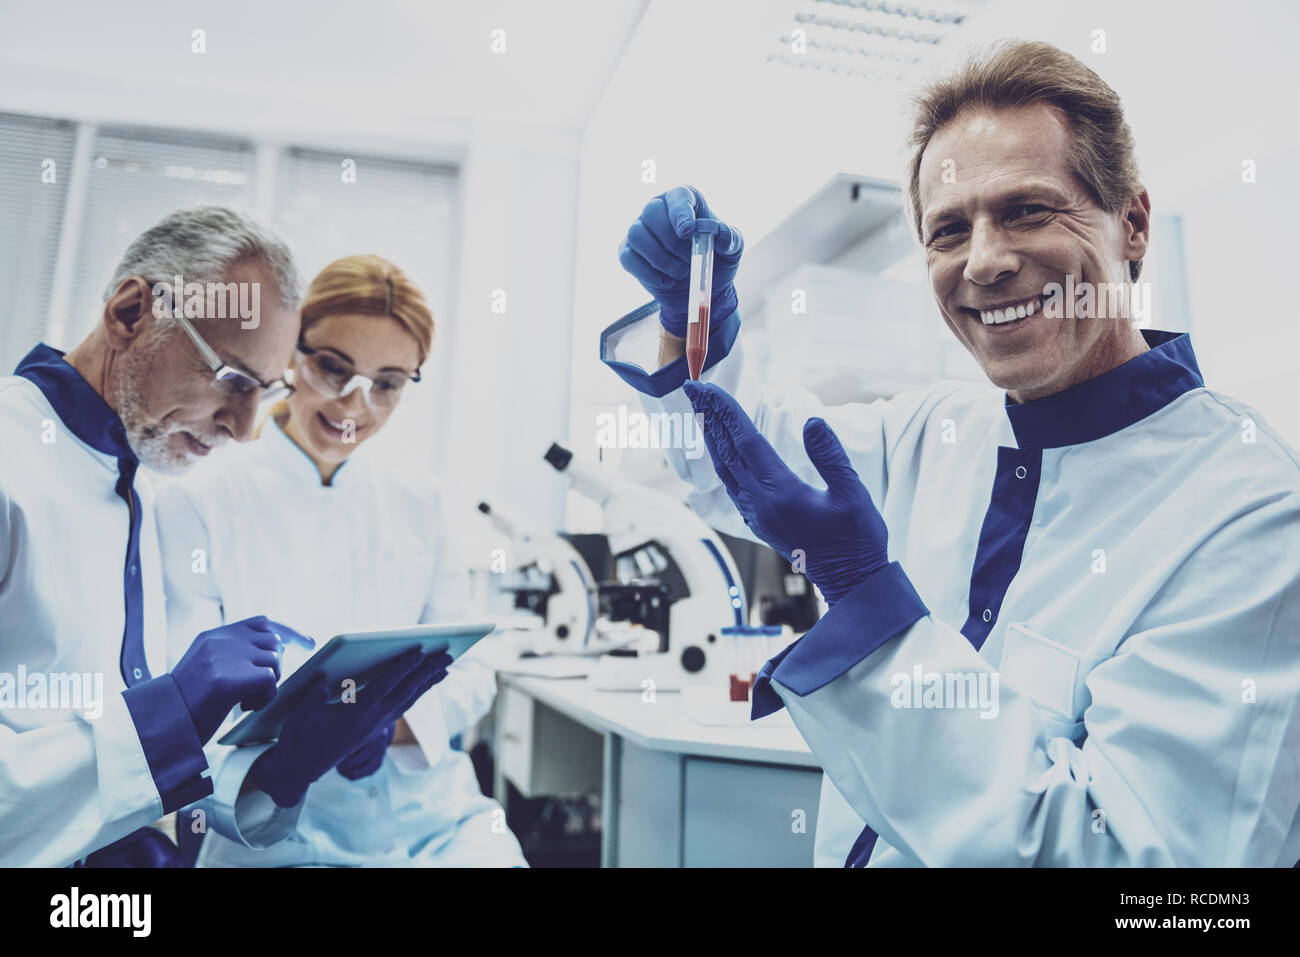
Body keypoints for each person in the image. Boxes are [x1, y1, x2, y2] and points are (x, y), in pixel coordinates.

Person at [603, 40, 1300, 866]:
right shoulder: (934, 432)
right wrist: (696, 338)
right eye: (948, 230)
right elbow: (742, 464)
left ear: (1134, 223)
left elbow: (1141, 867)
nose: (985, 261)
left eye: (1028, 210)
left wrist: (870, 613)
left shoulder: (1253, 516)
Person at [0, 207, 446, 867]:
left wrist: (284, 769)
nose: (242, 429)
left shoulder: (144, 482)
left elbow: (128, 779)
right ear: (129, 312)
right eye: (232, 379)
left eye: (262, 393)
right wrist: (166, 717)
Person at [155, 254, 526, 867]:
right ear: (291, 353)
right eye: (333, 369)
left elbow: (475, 672)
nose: (355, 406)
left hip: (438, 821)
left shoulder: (422, 502)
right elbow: (181, 698)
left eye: (387, 384)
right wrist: (292, 756)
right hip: (276, 832)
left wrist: (386, 725)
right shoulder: (200, 499)